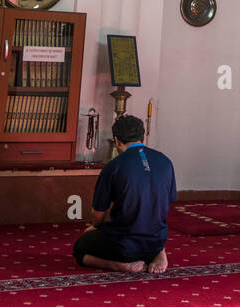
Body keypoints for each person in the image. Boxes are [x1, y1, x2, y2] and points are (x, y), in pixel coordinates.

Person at [73, 114, 176, 275]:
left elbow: (98, 214)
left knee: (80, 248)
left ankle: (117, 265)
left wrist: (95, 228)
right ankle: (159, 252)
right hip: (156, 240)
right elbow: (165, 203)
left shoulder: (113, 166)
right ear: (143, 137)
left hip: (124, 247)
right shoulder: (165, 161)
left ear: (117, 141)